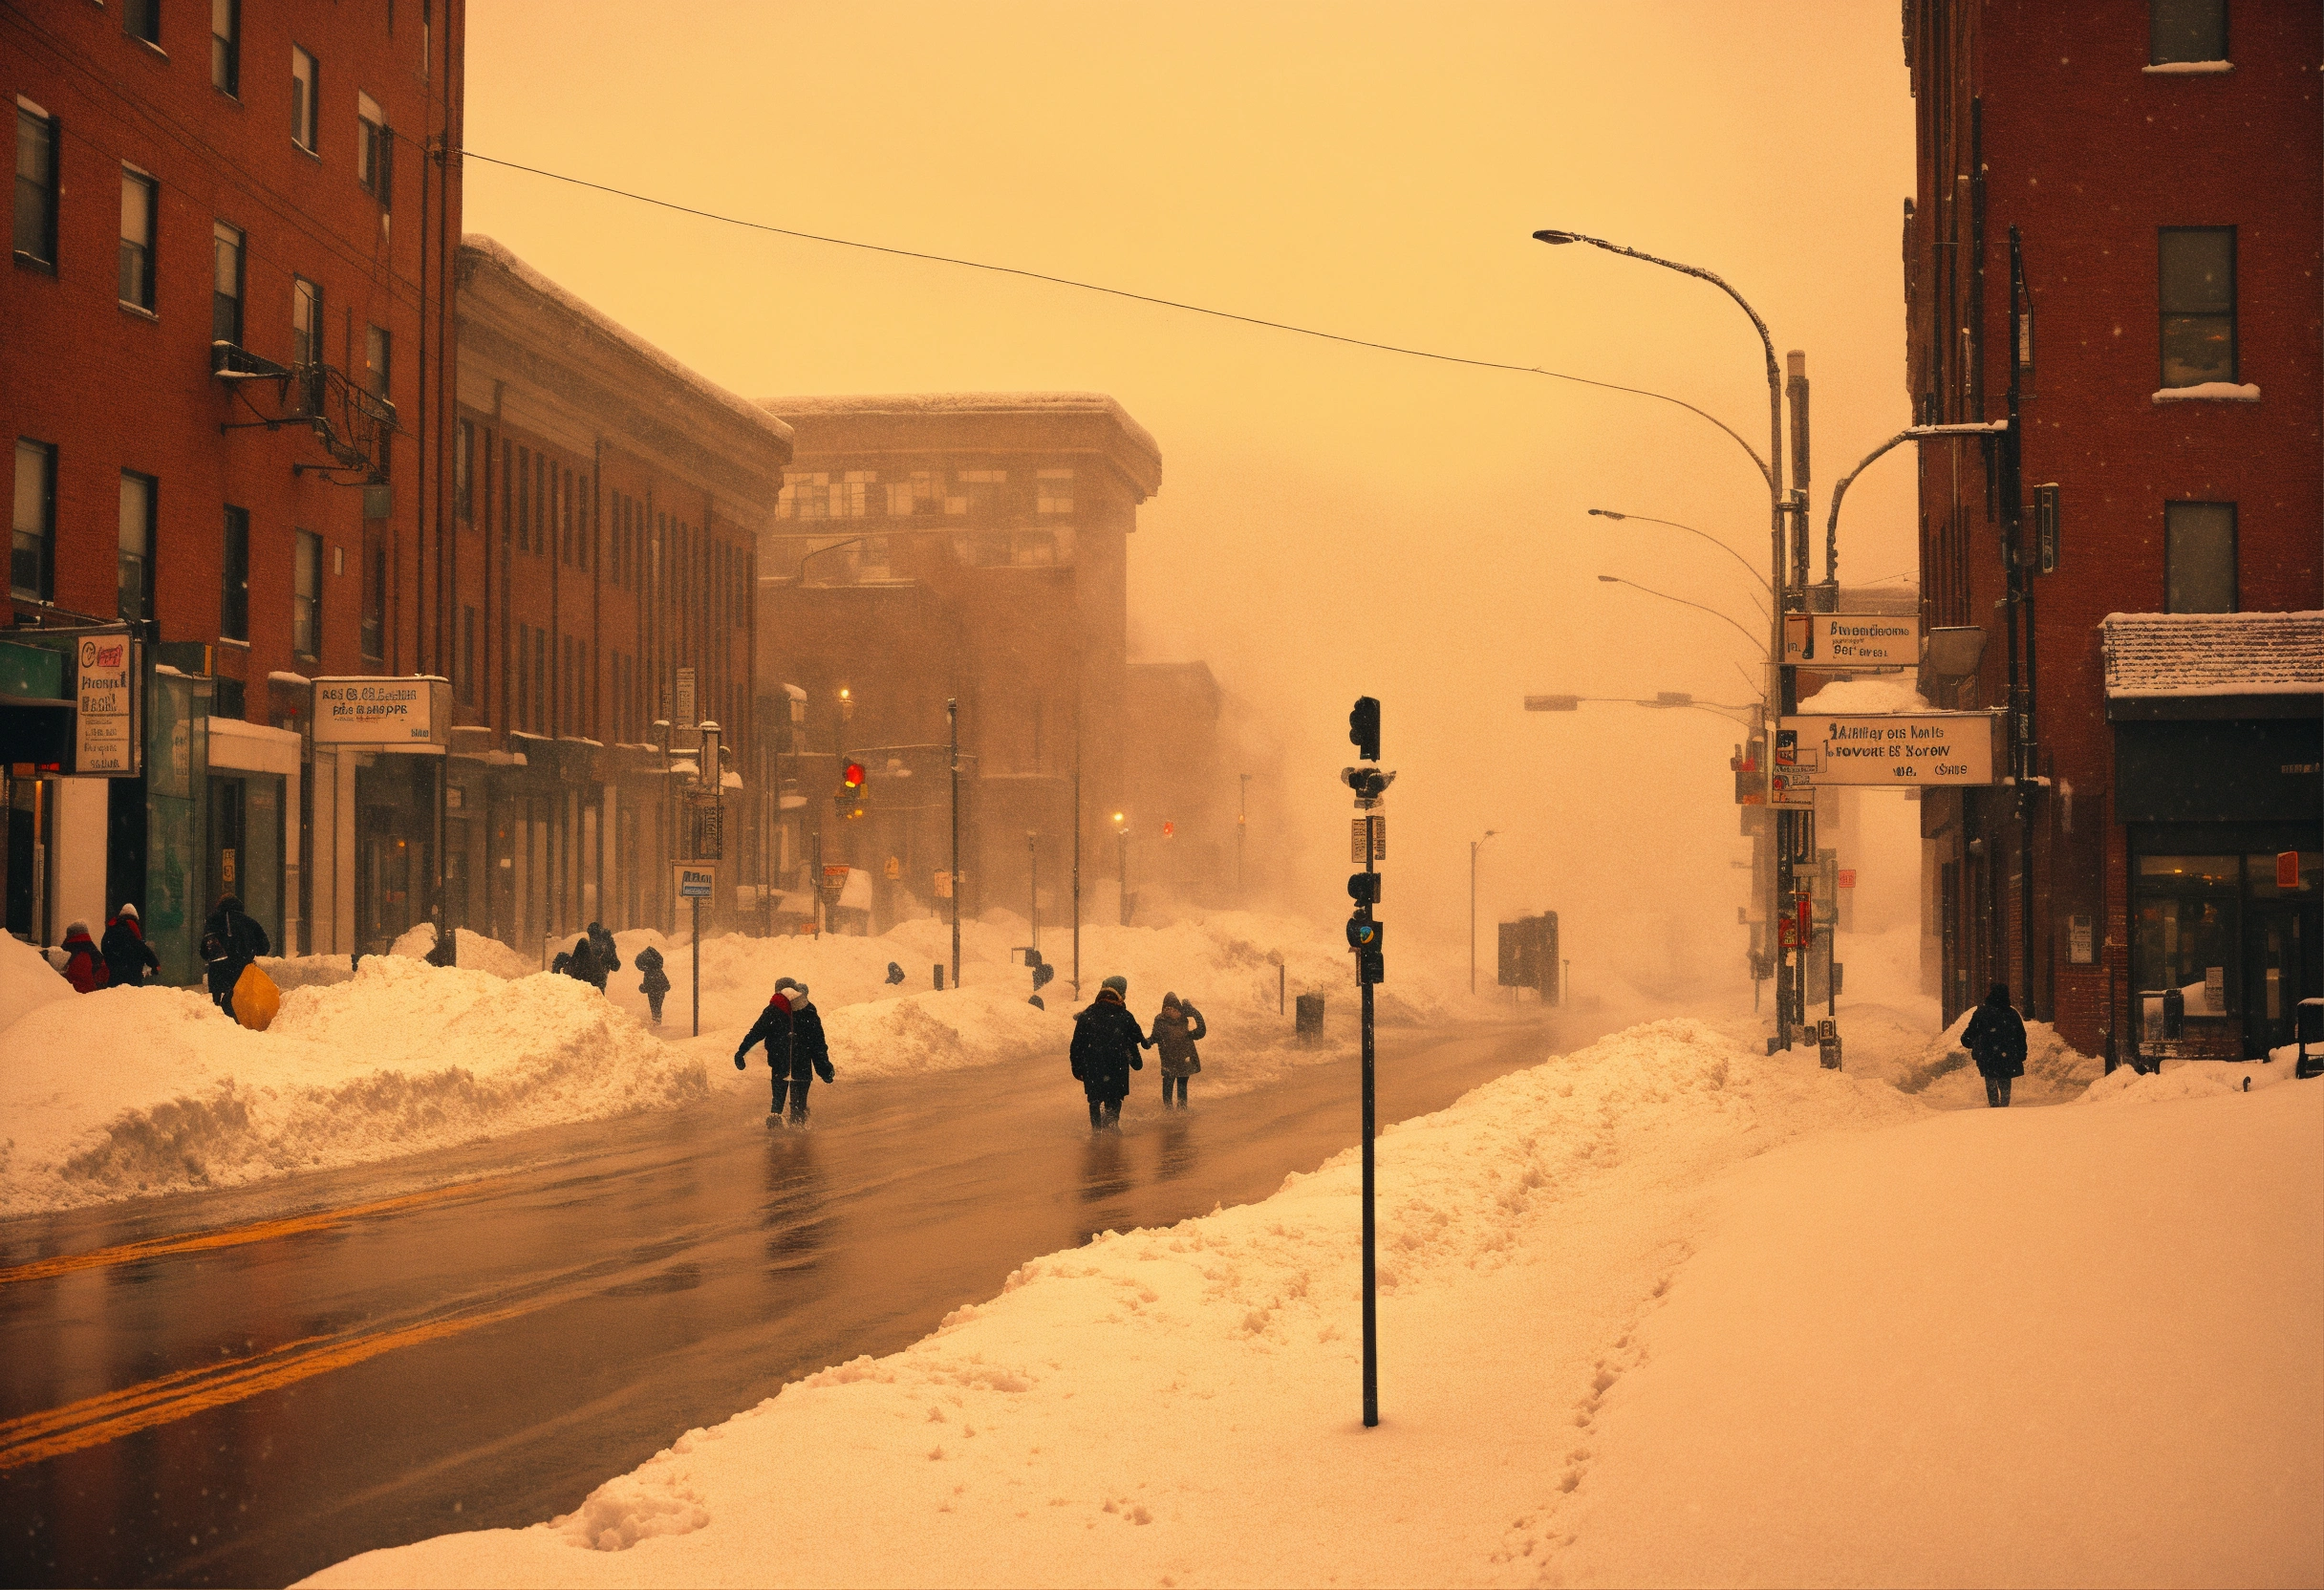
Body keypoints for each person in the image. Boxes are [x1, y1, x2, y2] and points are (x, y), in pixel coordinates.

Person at [1070, 975, 1148, 1131]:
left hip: (1093, 1068)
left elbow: (1077, 1045)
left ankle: (1097, 1132)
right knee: (1114, 1099)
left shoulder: (1087, 1014)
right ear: (1120, 995)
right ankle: (1111, 1129)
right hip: (1117, 1068)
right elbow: (1134, 1038)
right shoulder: (1125, 1016)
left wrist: (1077, 1068)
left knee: (1095, 1100)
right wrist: (1137, 1055)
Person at [1962, 983, 2028, 1108]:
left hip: (1987, 1053)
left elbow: (1972, 1031)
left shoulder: (1982, 1012)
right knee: (2005, 1080)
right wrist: (2022, 1052)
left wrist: (1967, 1040)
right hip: (2007, 1054)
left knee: (1990, 1079)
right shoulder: (2012, 1013)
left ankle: (1994, 1106)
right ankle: (2004, 1105)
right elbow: (2020, 1034)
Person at [1149, 992, 1207, 1110]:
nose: (1170, 1011)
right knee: (1169, 1084)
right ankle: (1169, 1112)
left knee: (1181, 1085)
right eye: (1167, 1008)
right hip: (1169, 1061)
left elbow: (1201, 1031)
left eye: (1173, 1008)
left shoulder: (1183, 1020)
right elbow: (1155, 1037)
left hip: (1183, 1060)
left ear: (1179, 1009)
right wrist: (1145, 1042)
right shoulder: (1160, 1020)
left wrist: (1194, 1012)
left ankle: (1180, 1112)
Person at [203, 894, 269, 995]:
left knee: (218, 1002)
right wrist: (248, 951)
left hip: (218, 973)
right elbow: (264, 948)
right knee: (239, 1000)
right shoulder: (250, 923)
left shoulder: (212, 922)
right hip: (242, 972)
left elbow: (204, 951)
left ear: (220, 905)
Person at [100, 903, 161, 990]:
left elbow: (104, 947)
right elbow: (141, 948)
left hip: (114, 980)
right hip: (132, 981)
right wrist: (154, 965)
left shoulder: (111, 930)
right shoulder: (132, 930)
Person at [59, 921, 107, 993]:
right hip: (94, 995)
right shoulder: (95, 954)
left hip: (71, 995)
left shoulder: (66, 953)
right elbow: (104, 976)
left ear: (69, 935)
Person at [201, 932, 237, 1015]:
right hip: (226, 962)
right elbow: (231, 947)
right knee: (228, 988)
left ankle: (217, 1006)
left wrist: (210, 957)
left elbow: (203, 953)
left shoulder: (207, 937)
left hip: (214, 965)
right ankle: (228, 1007)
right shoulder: (225, 932)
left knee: (216, 989)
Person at [635, 943, 670, 1024]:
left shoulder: (649, 973)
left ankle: (656, 1020)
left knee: (654, 1006)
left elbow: (647, 986)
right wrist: (664, 987)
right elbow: (666, 984)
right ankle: (657, 1019)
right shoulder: (658, 971)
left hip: (653, 992)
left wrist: (642, 988)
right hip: (660, 991)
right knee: (657, 1006)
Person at [587, 922, 620, 990]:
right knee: (598, 993)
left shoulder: (587, 942)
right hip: (601, 976)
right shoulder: (607, 942)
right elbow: (615, 966)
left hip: (587, 977)